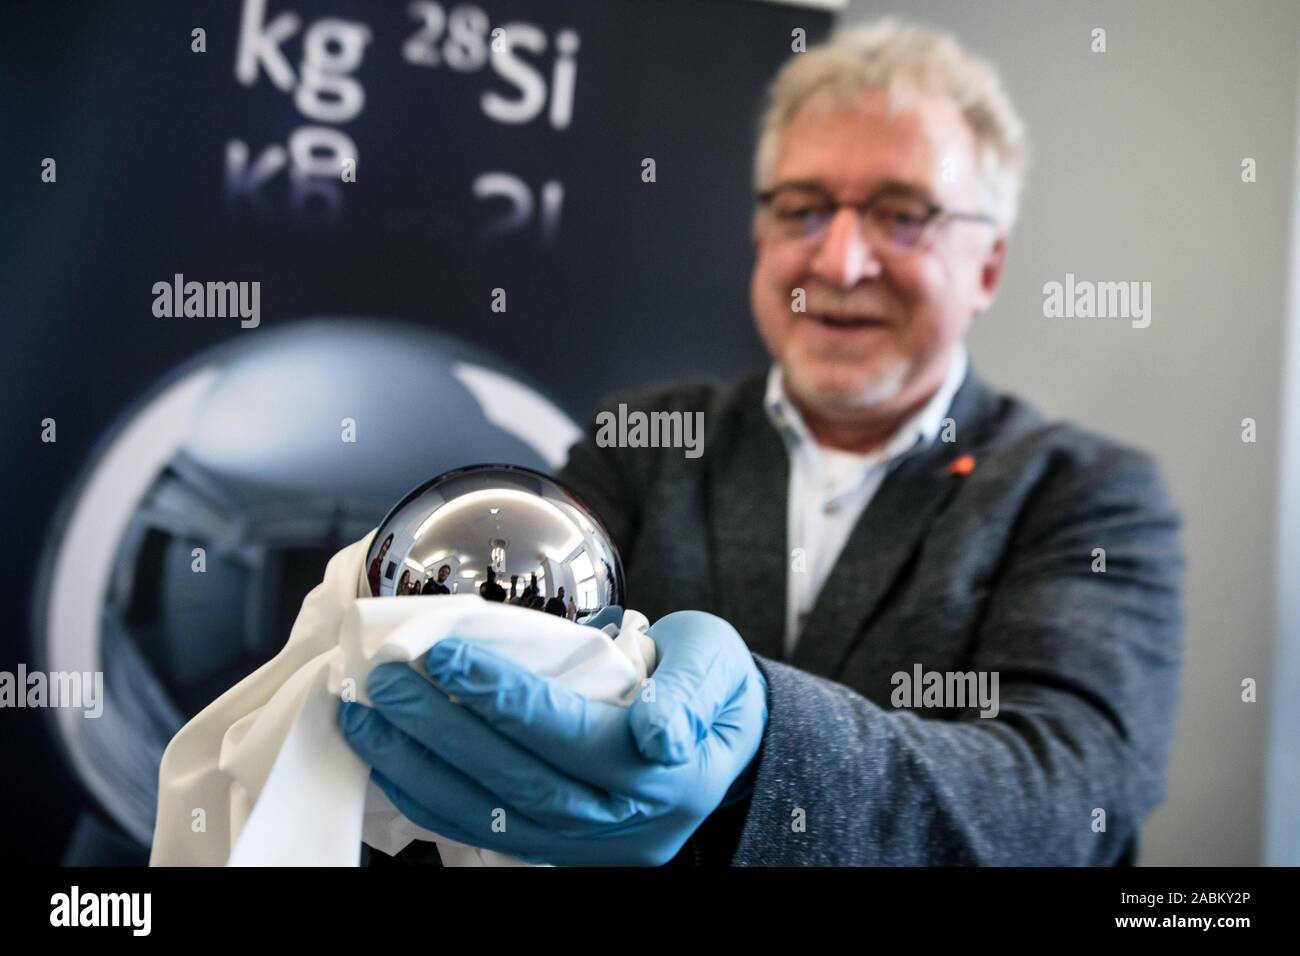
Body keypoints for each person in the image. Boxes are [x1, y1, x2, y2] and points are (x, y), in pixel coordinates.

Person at [341, 20, 1183, 867]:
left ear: (989, 266)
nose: (842, 261)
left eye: (902, 215)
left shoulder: (1085, 494)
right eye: (804, 209)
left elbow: (1070, 799)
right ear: (763, 235)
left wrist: (766, 751)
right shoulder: (642, 444)